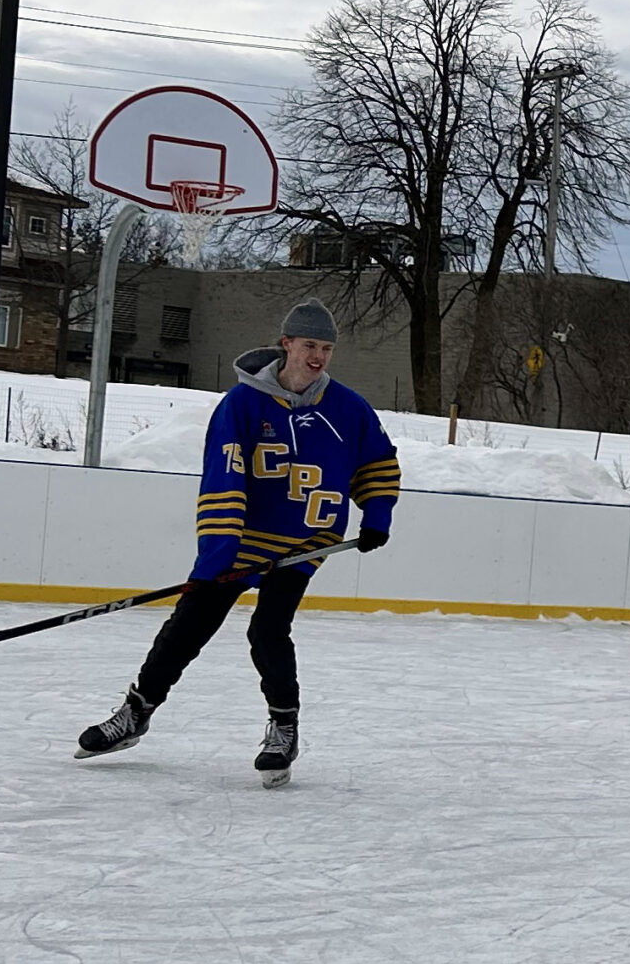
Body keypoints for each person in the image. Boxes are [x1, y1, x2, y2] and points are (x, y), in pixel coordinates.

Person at [73, 299, 400, 787]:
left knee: (267, 631)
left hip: (304, 542)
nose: (318, 357)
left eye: (326, 348)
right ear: (286, 344)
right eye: (309, 345)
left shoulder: (348, 409)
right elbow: (223, 481)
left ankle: (283, 728)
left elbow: (377, 463)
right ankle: (136, 713)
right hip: (242, 537)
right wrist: (220, 559)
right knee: (189, 623)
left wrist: (376, 514)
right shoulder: (240, 405)